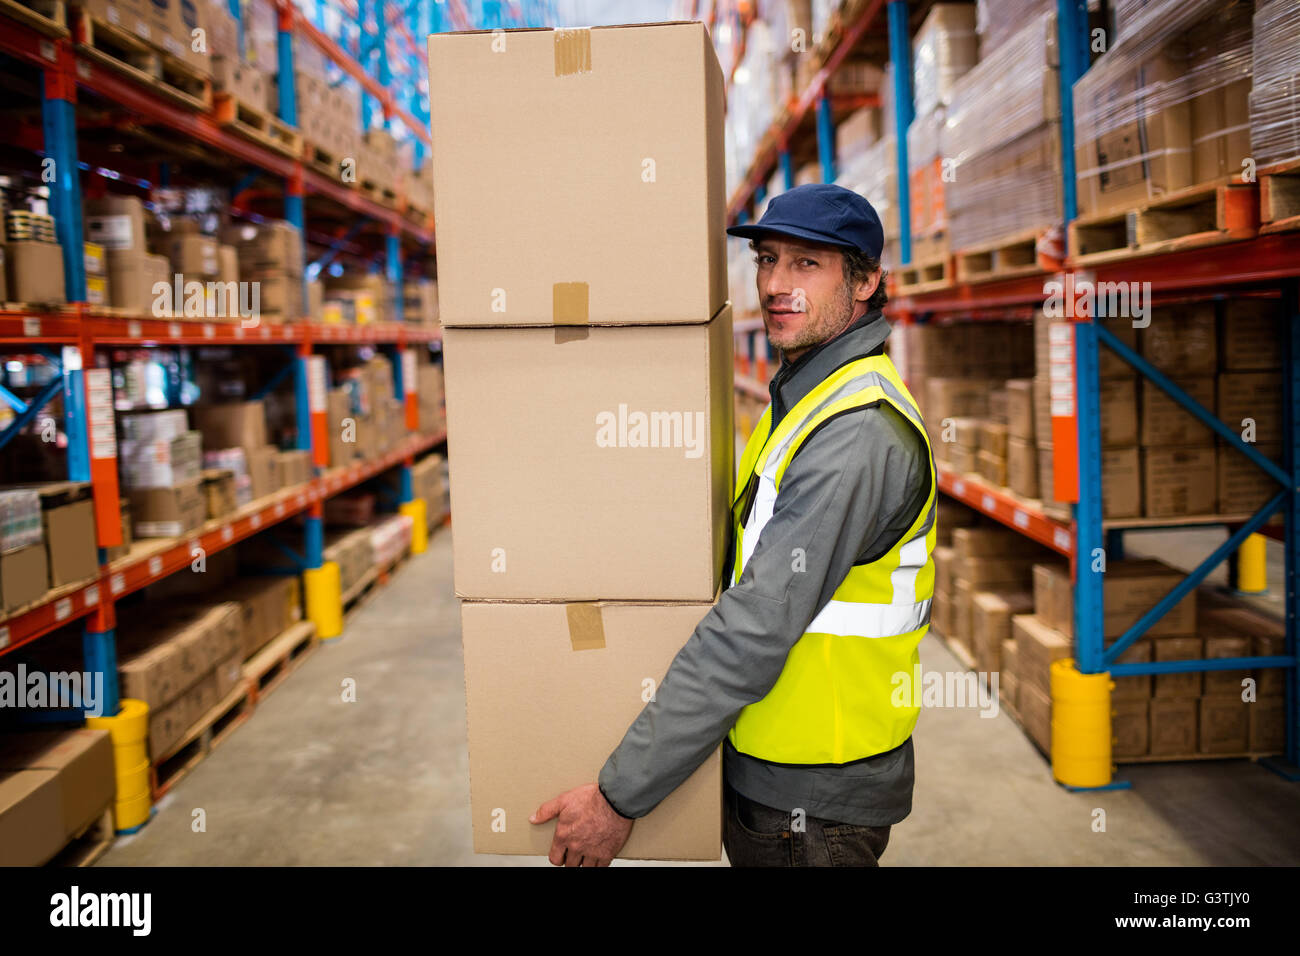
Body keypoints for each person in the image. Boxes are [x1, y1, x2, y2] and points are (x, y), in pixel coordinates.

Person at [531, 183, 937, 867]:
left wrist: (619, 795)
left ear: (866, 281)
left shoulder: (854, 434)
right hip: (779, 767)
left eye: (807, 264)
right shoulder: (805, 397)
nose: (775, 284)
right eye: (767, 260)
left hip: (814, 801)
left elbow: (753, 626)